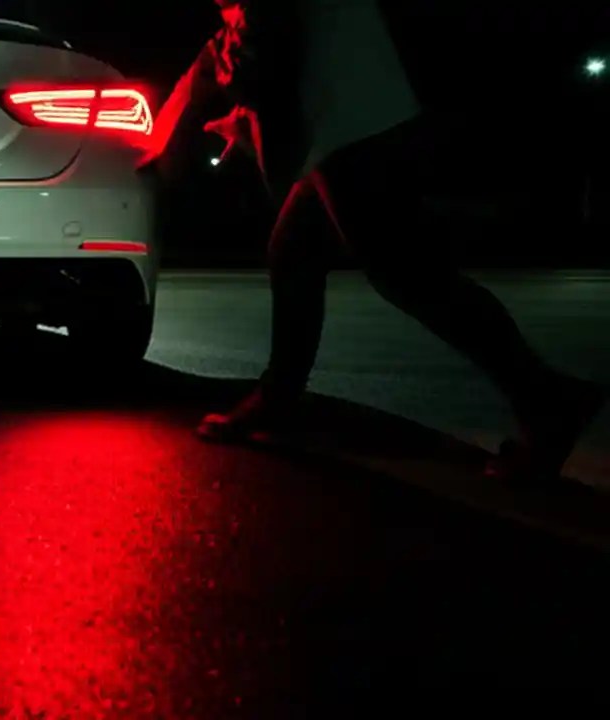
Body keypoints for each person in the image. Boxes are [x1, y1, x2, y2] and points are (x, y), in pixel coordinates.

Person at [154, 0, 605, 482]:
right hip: (358, 114)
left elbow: (264, 59)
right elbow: (224, 57)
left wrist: (236, 108)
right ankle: (278, 396)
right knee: (297, 251)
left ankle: (549, 401)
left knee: (408, 276)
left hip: (353, 126)